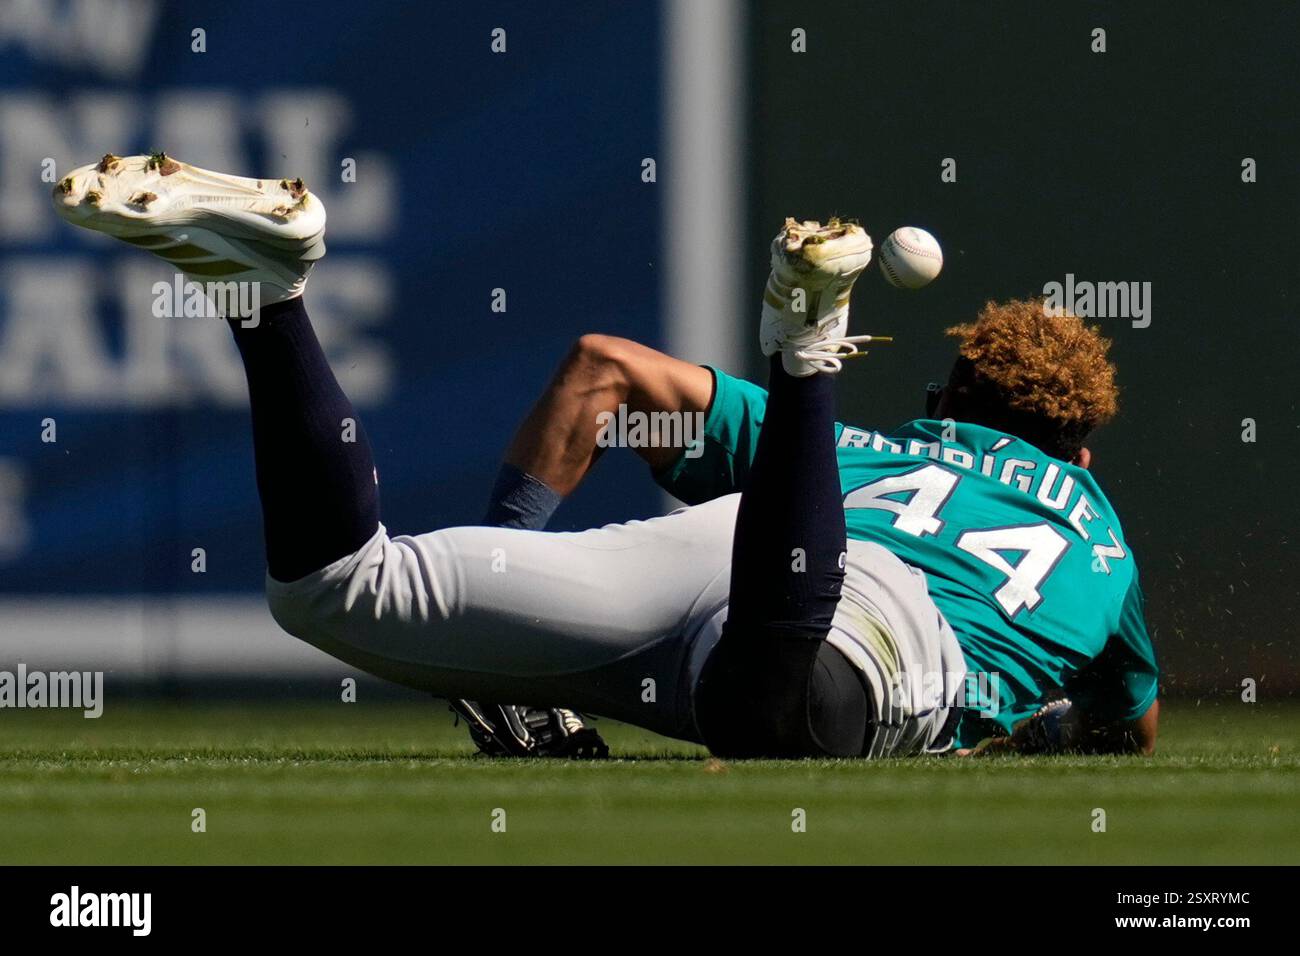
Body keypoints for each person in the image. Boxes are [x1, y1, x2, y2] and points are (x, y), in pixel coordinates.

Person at [54, 154, 1157, 759]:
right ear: (1084, 447)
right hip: (852, 629)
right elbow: (1128, 722)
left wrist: (505, 542)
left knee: (334, 587)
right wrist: (1053, 725)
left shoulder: (888, 449)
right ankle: (806, 348)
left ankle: (265, 296)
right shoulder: (1097, 541)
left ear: (949, 403)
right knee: (771, 719)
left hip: (728, 548)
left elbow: (603, 369)